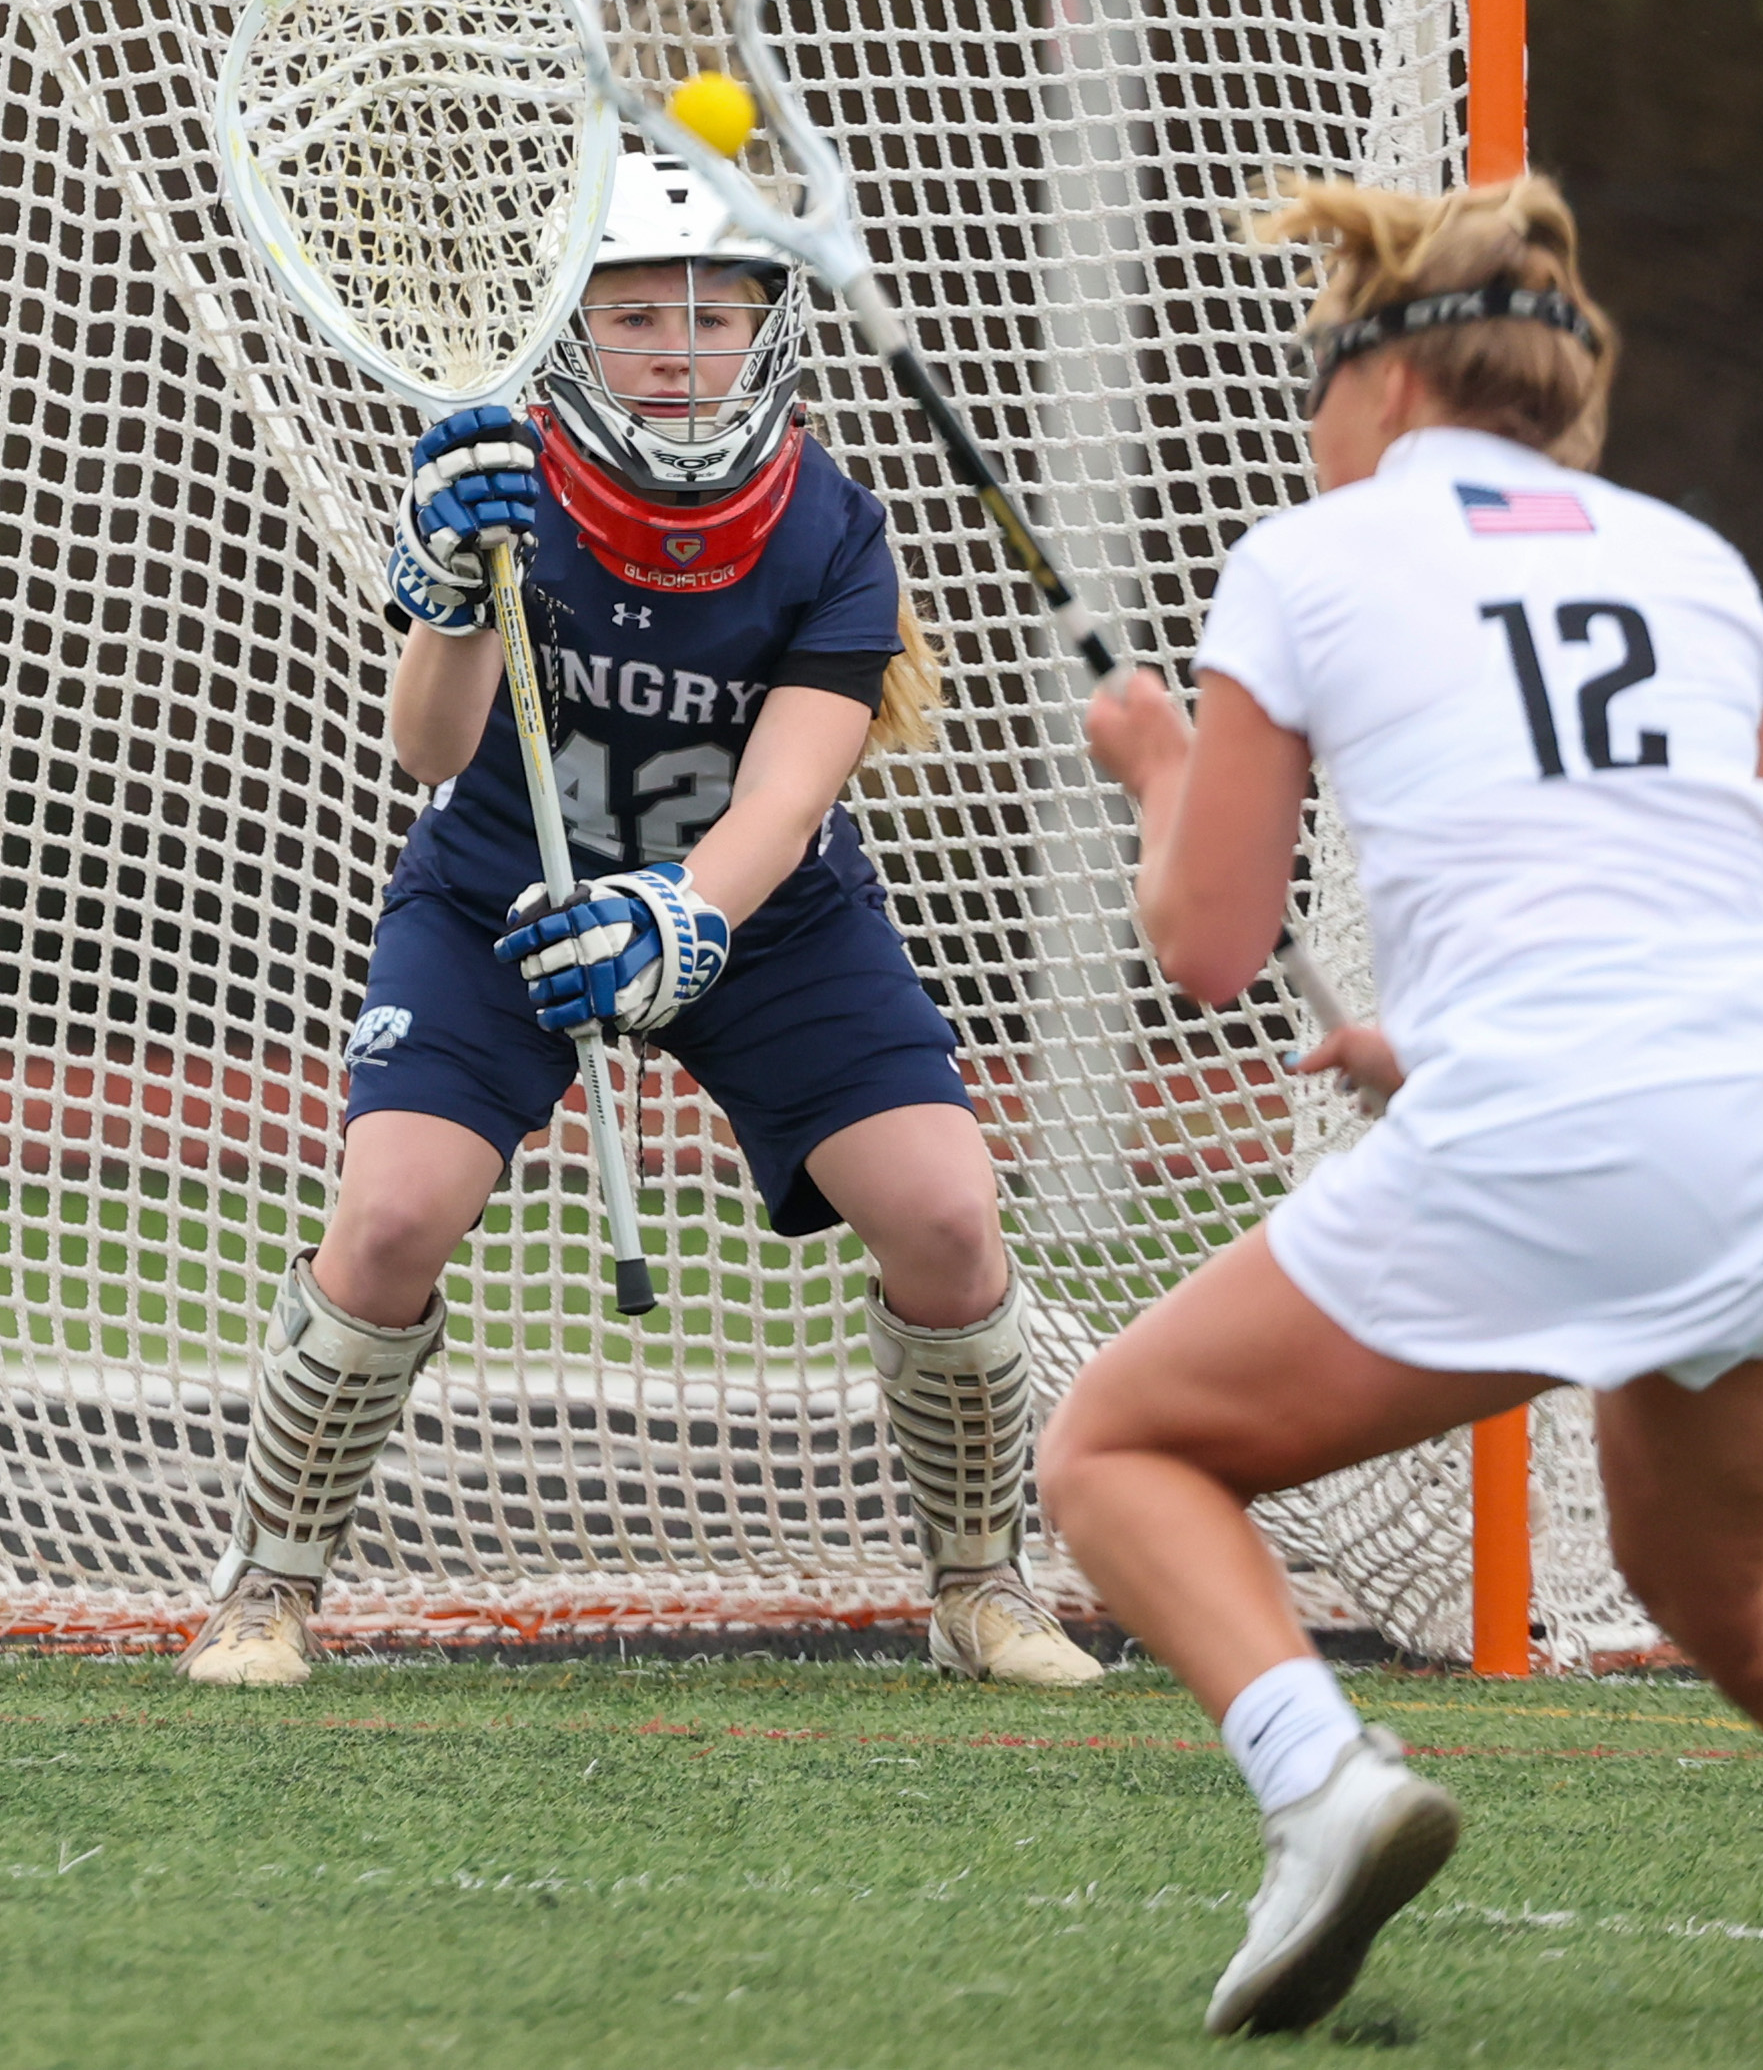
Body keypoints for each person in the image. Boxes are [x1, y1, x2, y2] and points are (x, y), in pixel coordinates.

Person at [179, 150, 1102, 1692]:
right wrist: (450, 591)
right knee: (393, 1213)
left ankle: (979, 1584)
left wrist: (676, 917)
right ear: (568, 325)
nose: (679, 347)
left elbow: (786, 804)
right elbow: (426, 748)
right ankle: (266, 1585)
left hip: (758, 913)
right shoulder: (505, 479)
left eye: (715, 309)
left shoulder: (831, 526)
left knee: (945, 1212)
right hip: (505, 893)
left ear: (767, 326)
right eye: (634, 312)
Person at [1039, 171, 1763, 2035]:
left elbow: (1208, 946)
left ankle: (1320, 1781)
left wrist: (1154, 767)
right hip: (1747, 1111)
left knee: (1119, 1448)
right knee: (1711, 1580)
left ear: (1378, 386)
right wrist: (1435, 1043)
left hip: (1556, 1146)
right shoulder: (1696, 563)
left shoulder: (1313, 553)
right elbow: (1693, 897)